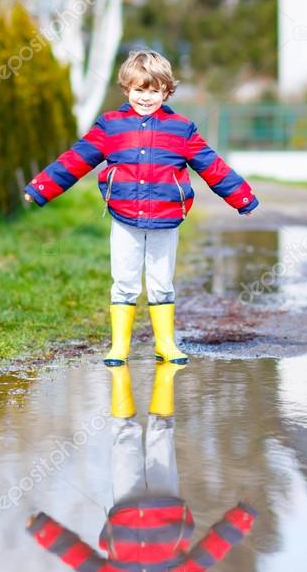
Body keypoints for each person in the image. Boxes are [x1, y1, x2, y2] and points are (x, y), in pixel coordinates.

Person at [23, 50, 259, 366]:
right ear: (126, 88)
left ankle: (166, 344)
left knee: (161, 282)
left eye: (154, 90)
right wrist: (41, 187)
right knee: (124, 281)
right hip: (124, 219)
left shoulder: (181, 129)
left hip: (166, 219)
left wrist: (241, 197)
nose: (146, 98)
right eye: (139, 89)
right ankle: (119, 346)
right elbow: (76, 160)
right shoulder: (110, 126)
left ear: (166, 91)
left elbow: (212, 165)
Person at [25, 363, 258, 572]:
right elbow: (210, 551)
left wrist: (42, 530)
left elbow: (77, 556)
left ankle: (118, 370)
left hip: (125, 509)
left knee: (124, 436)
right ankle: (166, 370)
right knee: (161, 433)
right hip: (166, 507)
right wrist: (241, 520)